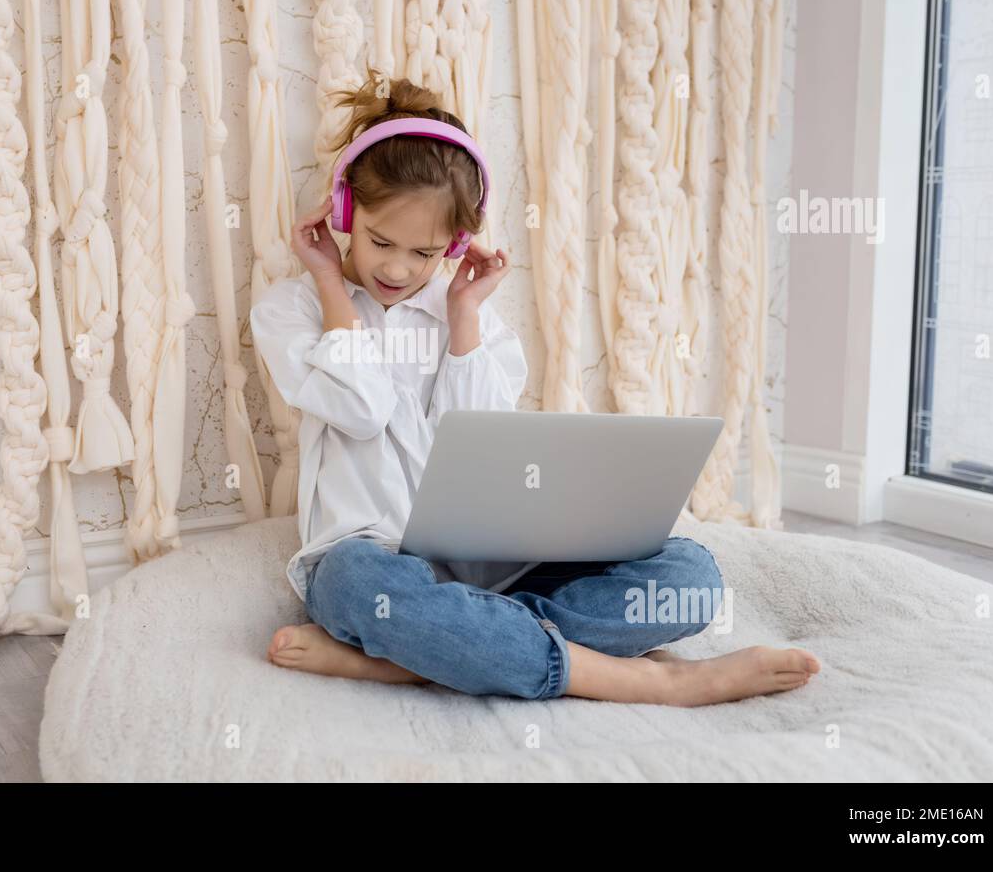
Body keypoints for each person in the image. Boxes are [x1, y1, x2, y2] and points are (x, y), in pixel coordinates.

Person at [249, 70, 820, 704]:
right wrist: (333, 286)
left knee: (691, 576)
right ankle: (643, 679)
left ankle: (422, 656)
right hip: (371, 557)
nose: (397, 268)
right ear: (346, 211)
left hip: (496, 565)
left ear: (456, 245)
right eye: (381, 241)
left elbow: (477, 448)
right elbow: (361, 409)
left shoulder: (468, 314)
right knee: (352, 589)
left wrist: (463, 316)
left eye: (425, 253)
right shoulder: (290, 311)